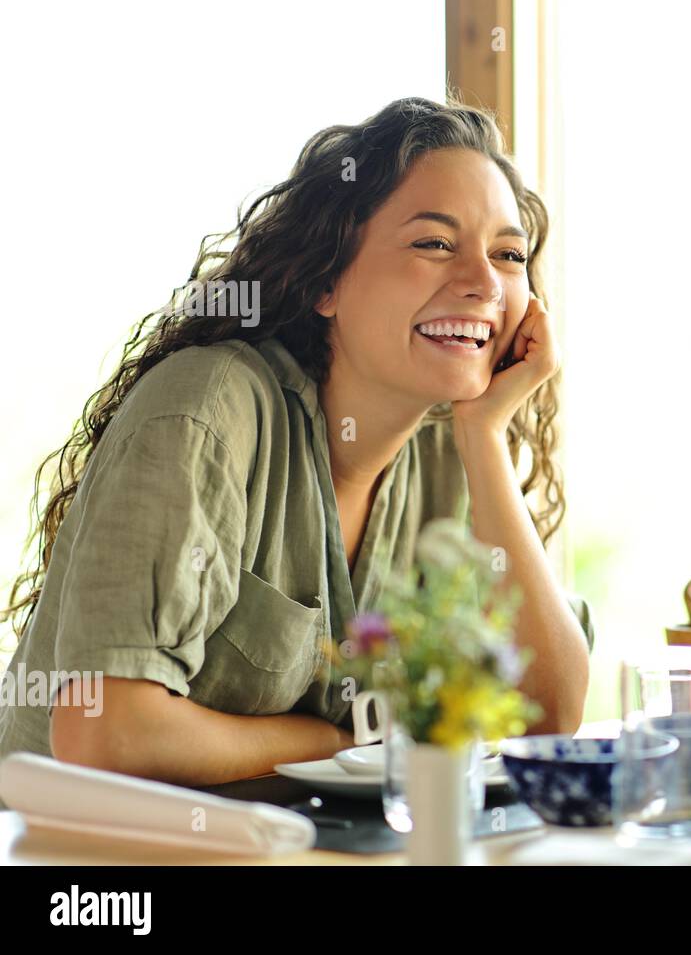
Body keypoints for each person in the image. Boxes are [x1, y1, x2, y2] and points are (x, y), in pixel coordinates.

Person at [0, 98, 592, 794]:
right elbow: (106, 736)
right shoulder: (208, 411)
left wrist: (485, 436)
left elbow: (548, 718)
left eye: (509, 254)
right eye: (434, 243)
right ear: (325, 281)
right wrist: (337, 743)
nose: (484, 282)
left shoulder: (452, 451)